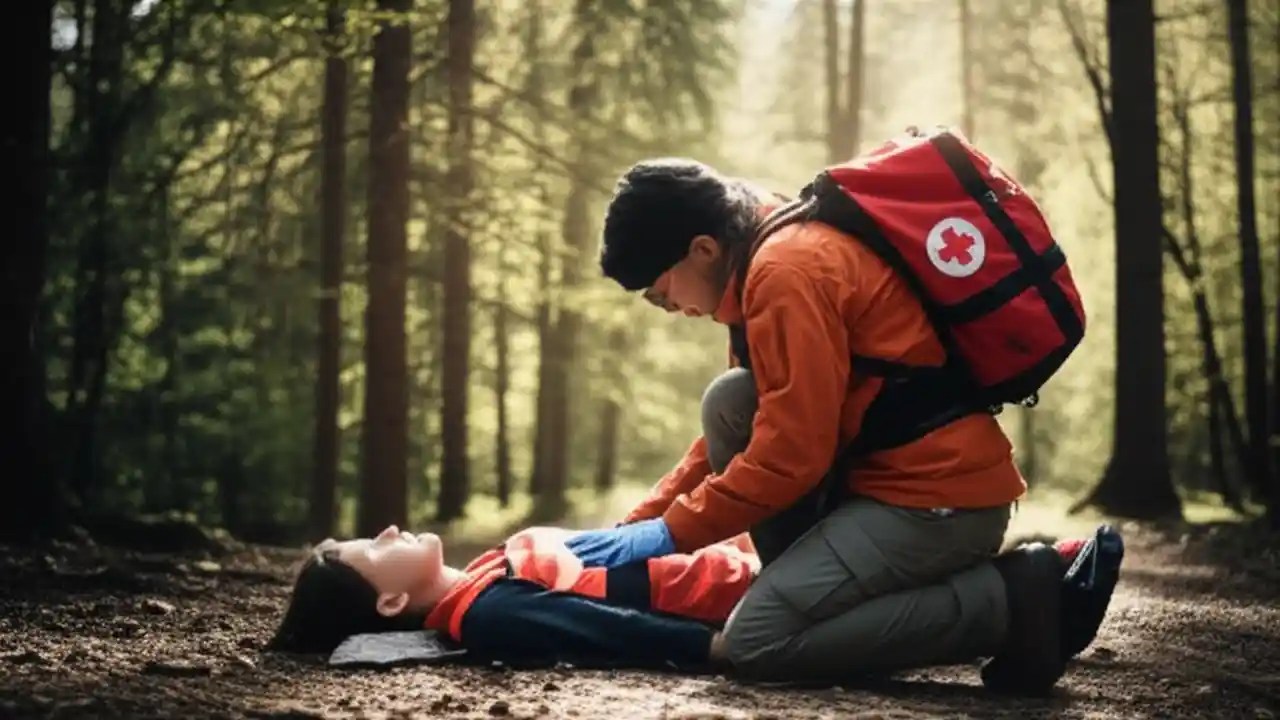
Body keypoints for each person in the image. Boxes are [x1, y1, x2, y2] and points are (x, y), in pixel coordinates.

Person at [574, 155, 1124, 694]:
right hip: (877, 490)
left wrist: (671, 533)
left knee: (756, 642)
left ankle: (1011, 599)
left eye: (659, 291)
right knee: (730, 401)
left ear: (703, 249)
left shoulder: (784, 272)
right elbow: (760, 424)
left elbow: (790, 457)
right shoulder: (762, 253)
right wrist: (638, 525)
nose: (665, 306)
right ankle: (821, 592)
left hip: (935, 504)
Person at [266, 523, 758, 670]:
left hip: (746, 549)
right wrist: (710, 647)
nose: (390, 530)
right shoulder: (486, 612)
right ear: (391, 602)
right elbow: (603, 626)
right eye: (375, 549)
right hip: (752, 590)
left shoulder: (486, 572)